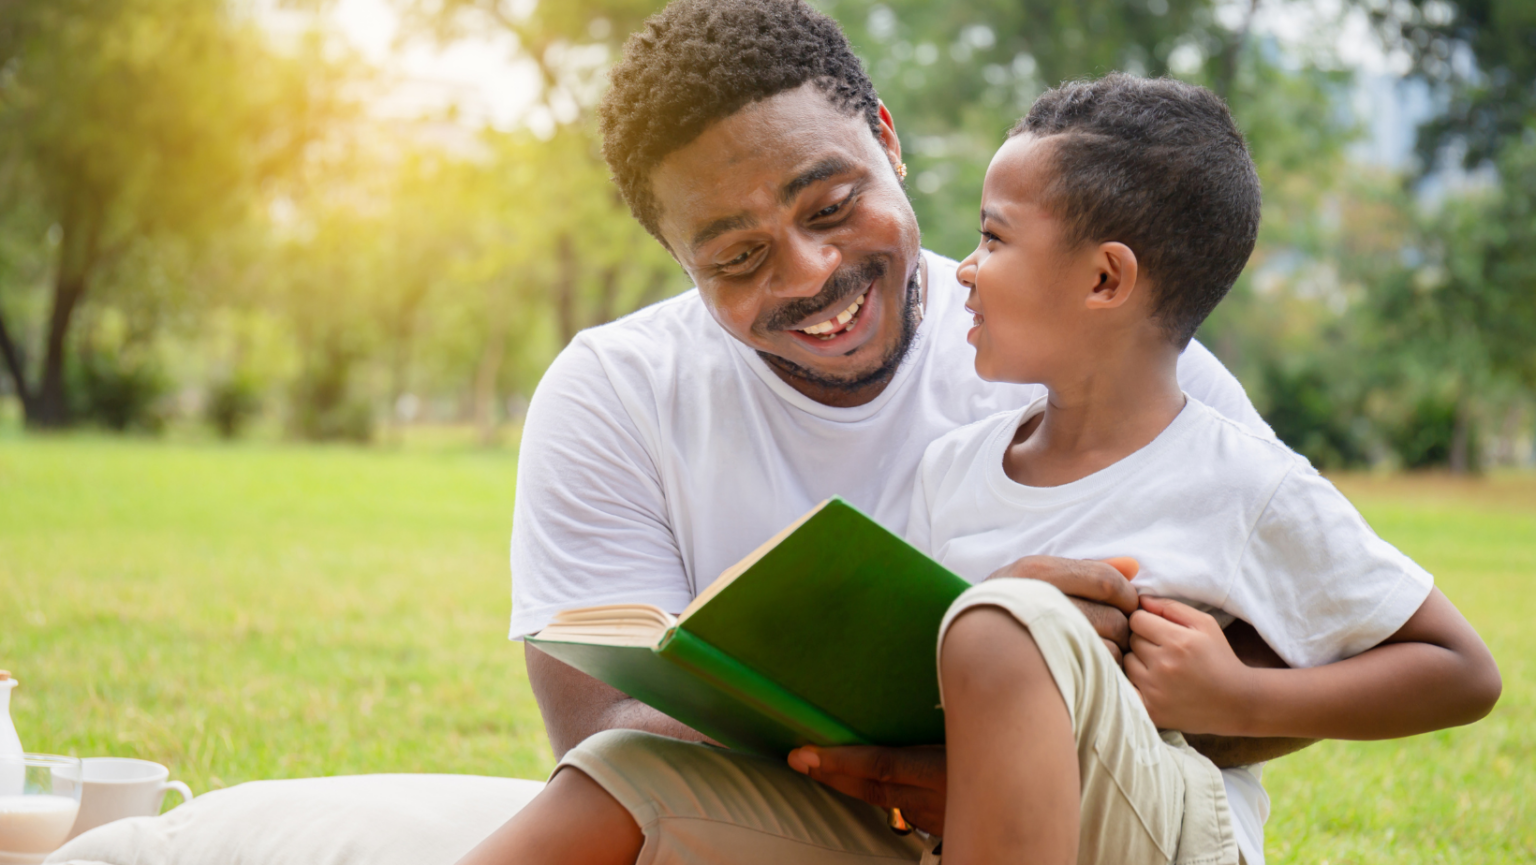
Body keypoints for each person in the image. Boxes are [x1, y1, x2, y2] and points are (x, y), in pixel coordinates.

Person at [458, 1, 1404, 863]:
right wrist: (895, 750)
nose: (807, 273)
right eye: (738, 257)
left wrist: (1037, 716)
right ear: (678, 257)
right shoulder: (612, 390)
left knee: (1017, 623)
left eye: (831, 207)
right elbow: (602, 728)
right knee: (615, 775)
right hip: (828, 821)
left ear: (888, 142)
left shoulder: (1107, 348)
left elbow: (1315, 648)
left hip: (1093, 826)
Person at [856, 72, 1500, 865]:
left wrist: (1237, 694)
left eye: (994, 238)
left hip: (1167, 827)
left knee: (1002, 626)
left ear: (1105, 279)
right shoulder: (951, 469)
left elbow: (1462, 670)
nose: (965, 269)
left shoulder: (1240, 479)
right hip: (965, 826)